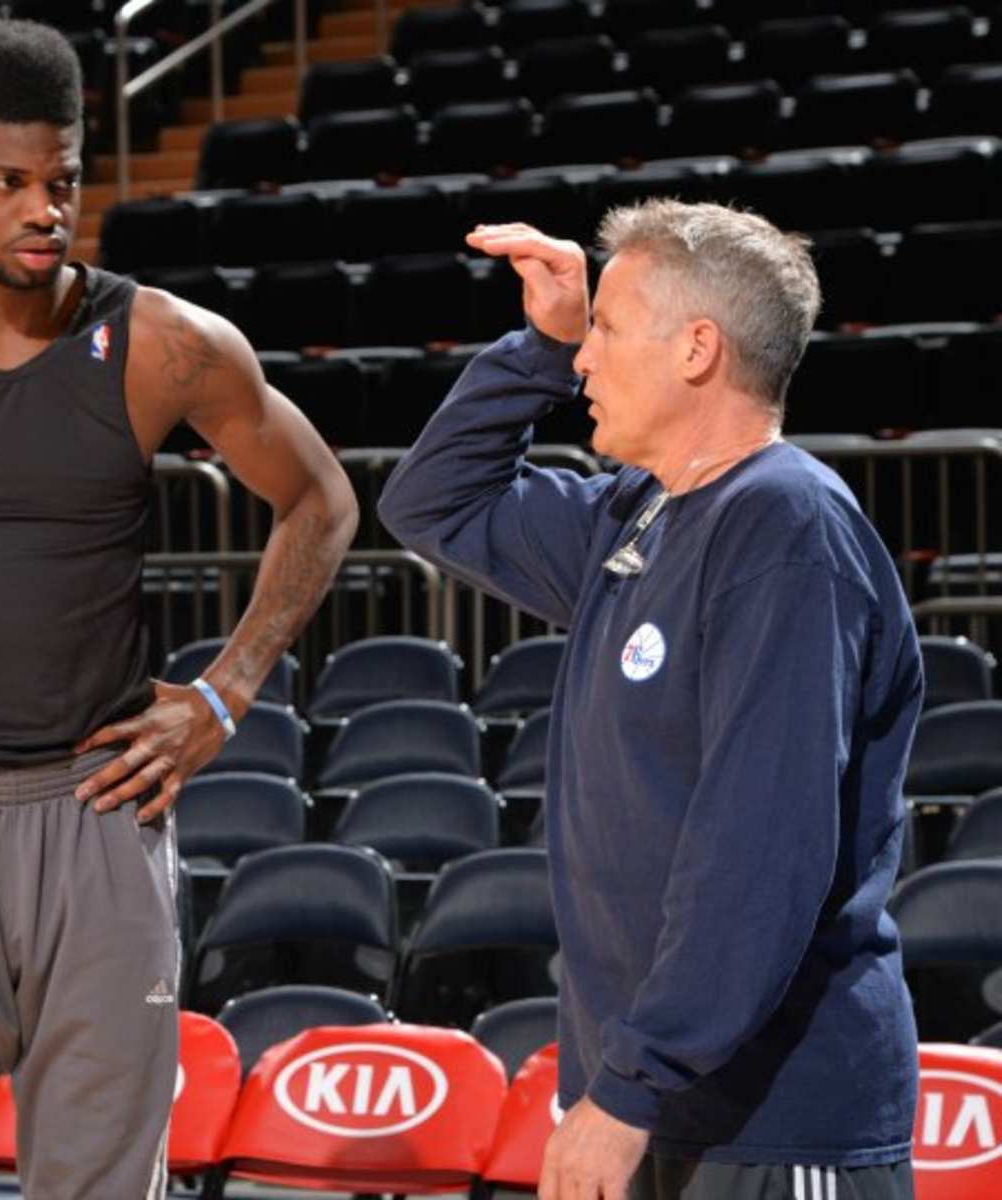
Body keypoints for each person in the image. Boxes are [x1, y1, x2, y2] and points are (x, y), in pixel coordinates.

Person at [0, 17, 356, 1200]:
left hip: (96, 818)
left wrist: (230, 687)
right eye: (9, 183)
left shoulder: (159, 345)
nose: (45, 210)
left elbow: (321, 500)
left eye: (62, 181)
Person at [379, 203, 922, 1200]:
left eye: (605, 330)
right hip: (658, 1101)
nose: (583, 361)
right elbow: (432, 501)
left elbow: (757, 849)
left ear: (697, 349)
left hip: (773, 1117)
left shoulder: (786, 530)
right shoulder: (636, 515)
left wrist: (629, 1090)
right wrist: (536, 346)